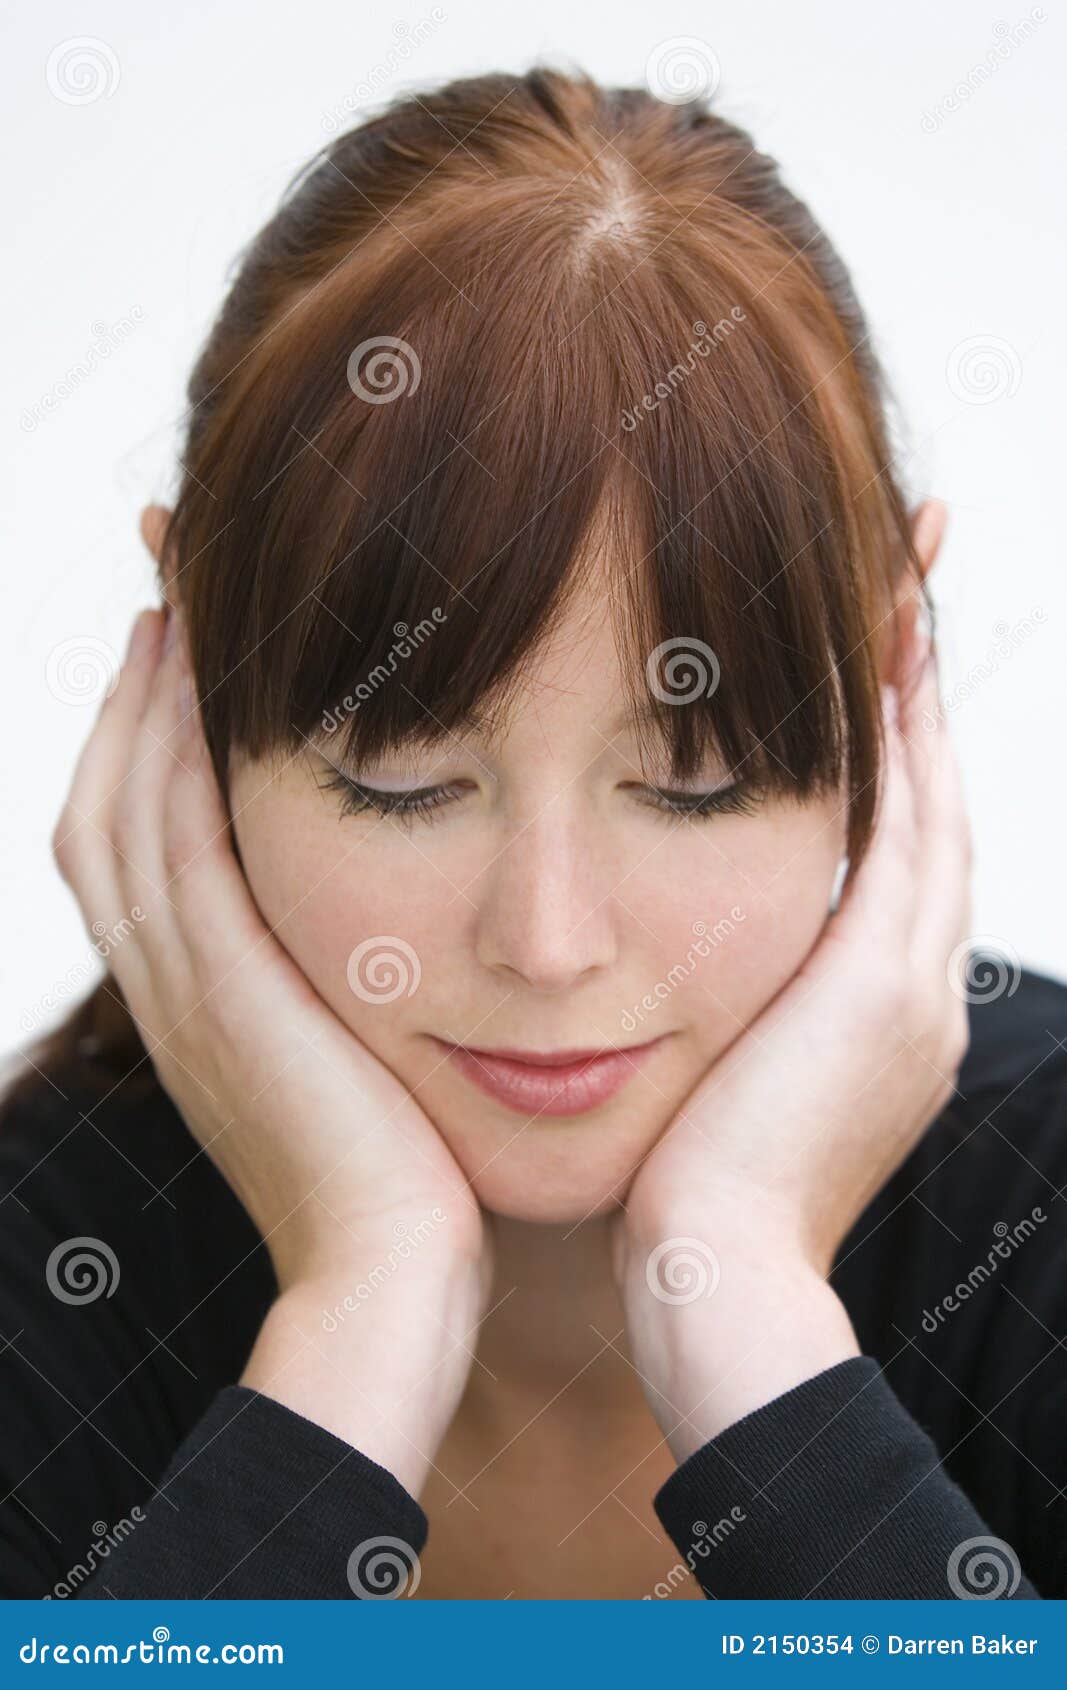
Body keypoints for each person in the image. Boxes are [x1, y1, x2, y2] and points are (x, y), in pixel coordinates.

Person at [2, 65, 1062, 1601]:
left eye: (693, 783)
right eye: (400, 778)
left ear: (901, 659)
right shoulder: (53, 1287)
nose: (549, 941)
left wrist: (751, 1313)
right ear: (186, 676)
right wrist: (364, 1306)